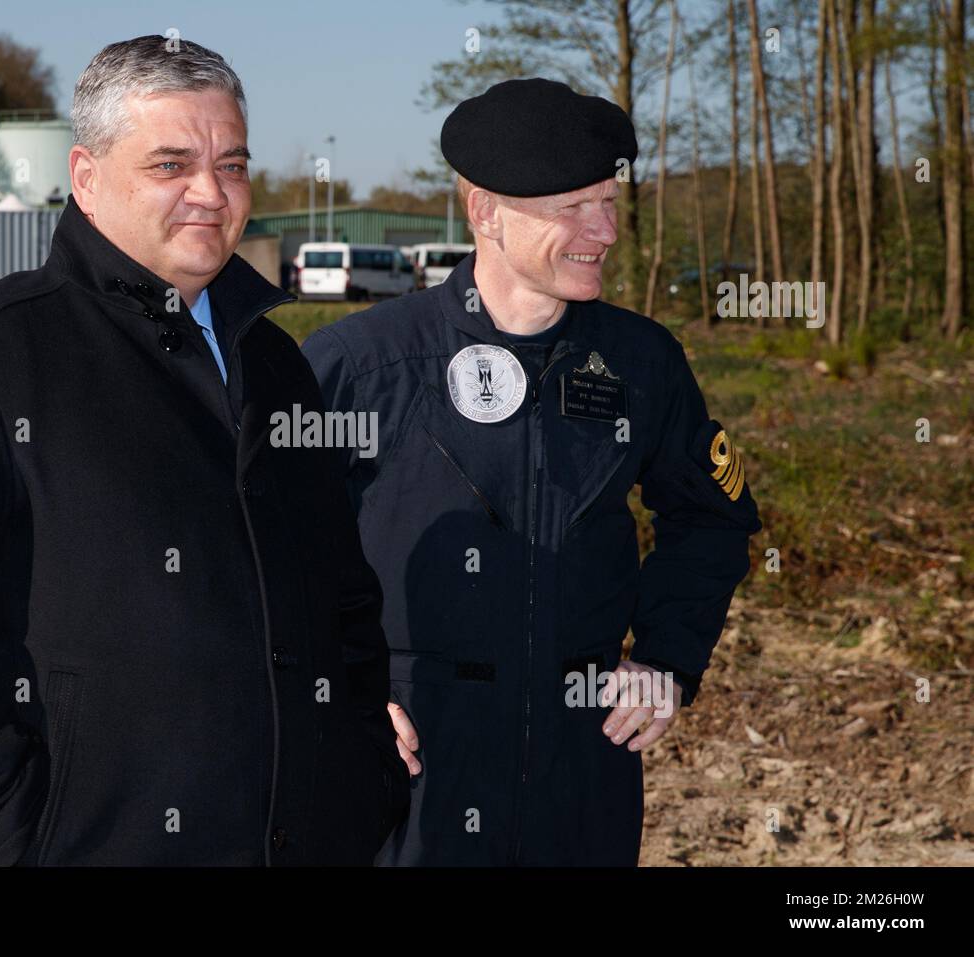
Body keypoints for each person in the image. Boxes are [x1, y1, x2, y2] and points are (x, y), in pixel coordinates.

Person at [0, 34, 409, 867]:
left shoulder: (276, 362)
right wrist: (17, 825)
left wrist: (360, 771)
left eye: (233, 164)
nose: (211, 193)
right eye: (171, 164)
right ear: (87, 178)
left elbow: (340, 594)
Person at [302, 77, 763, 866]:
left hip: (579, 762)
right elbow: (264, 542)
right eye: (573, 208)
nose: (605, 229)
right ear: (485, 211)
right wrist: (337, 690)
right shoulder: (362, 364)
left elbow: (712, 519)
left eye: (610, 202)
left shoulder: (640, 362)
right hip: (408, 761)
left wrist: (665, 658)